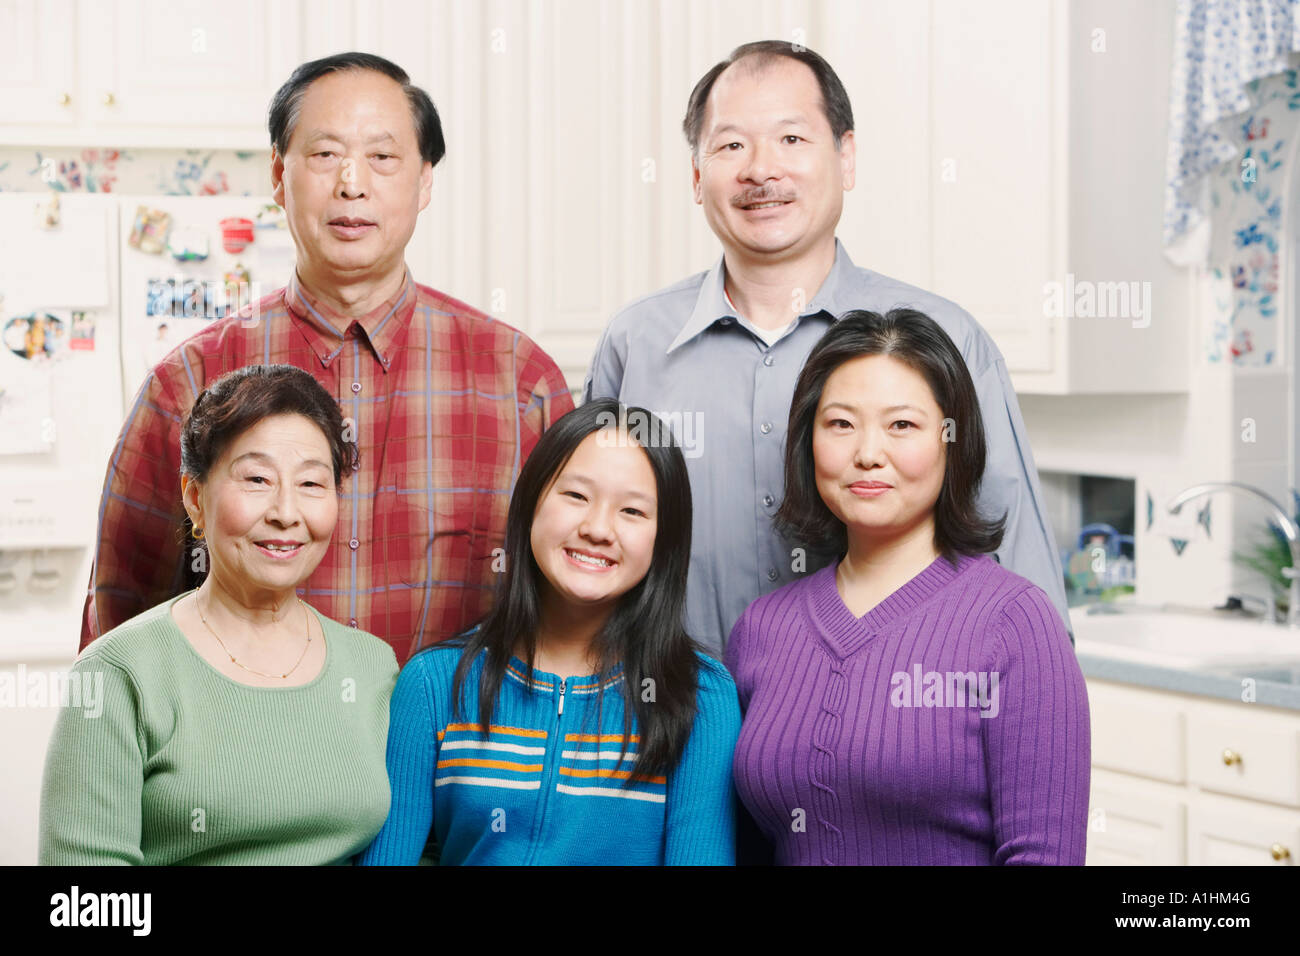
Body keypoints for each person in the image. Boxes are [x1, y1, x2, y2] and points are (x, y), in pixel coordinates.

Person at [80, 52, 573, 666]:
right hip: (245, 758)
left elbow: (576, 618)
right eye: (324, 154)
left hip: (450, 764)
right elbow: (119, 622)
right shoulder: (189, 381)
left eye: (382, 157)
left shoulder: (521, 382)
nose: (351, 182)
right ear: (280, 177)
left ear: (424, 181)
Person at [583, 40, 1069, 657]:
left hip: (882, 737)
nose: (761, 170)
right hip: (675, 732)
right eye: (731, 145)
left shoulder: (946, 341)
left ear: (846, 158)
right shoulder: (636, 344)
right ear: (698, 177)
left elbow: (1023, 583)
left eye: (791, 139)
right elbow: (587, 560)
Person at [725, 311, 1090, 865]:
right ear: (808, 441)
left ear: (952, 442)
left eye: (902, 425)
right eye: (840, 424)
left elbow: (1044, 856)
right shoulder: (761, 628)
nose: (868, 452)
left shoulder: (1014, 623)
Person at [41, 365, 398, 864]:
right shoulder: (118, 673)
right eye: (256, 479)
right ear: (195, 499)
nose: (285, 512)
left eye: (313, 484)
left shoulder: (373, 667)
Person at [360, 400, 740, 865]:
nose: (597, 529)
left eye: (633, 512)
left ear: (664, 541)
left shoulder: (700, 695)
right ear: (531, 503)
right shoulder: (434, 682)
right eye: (576, 496)